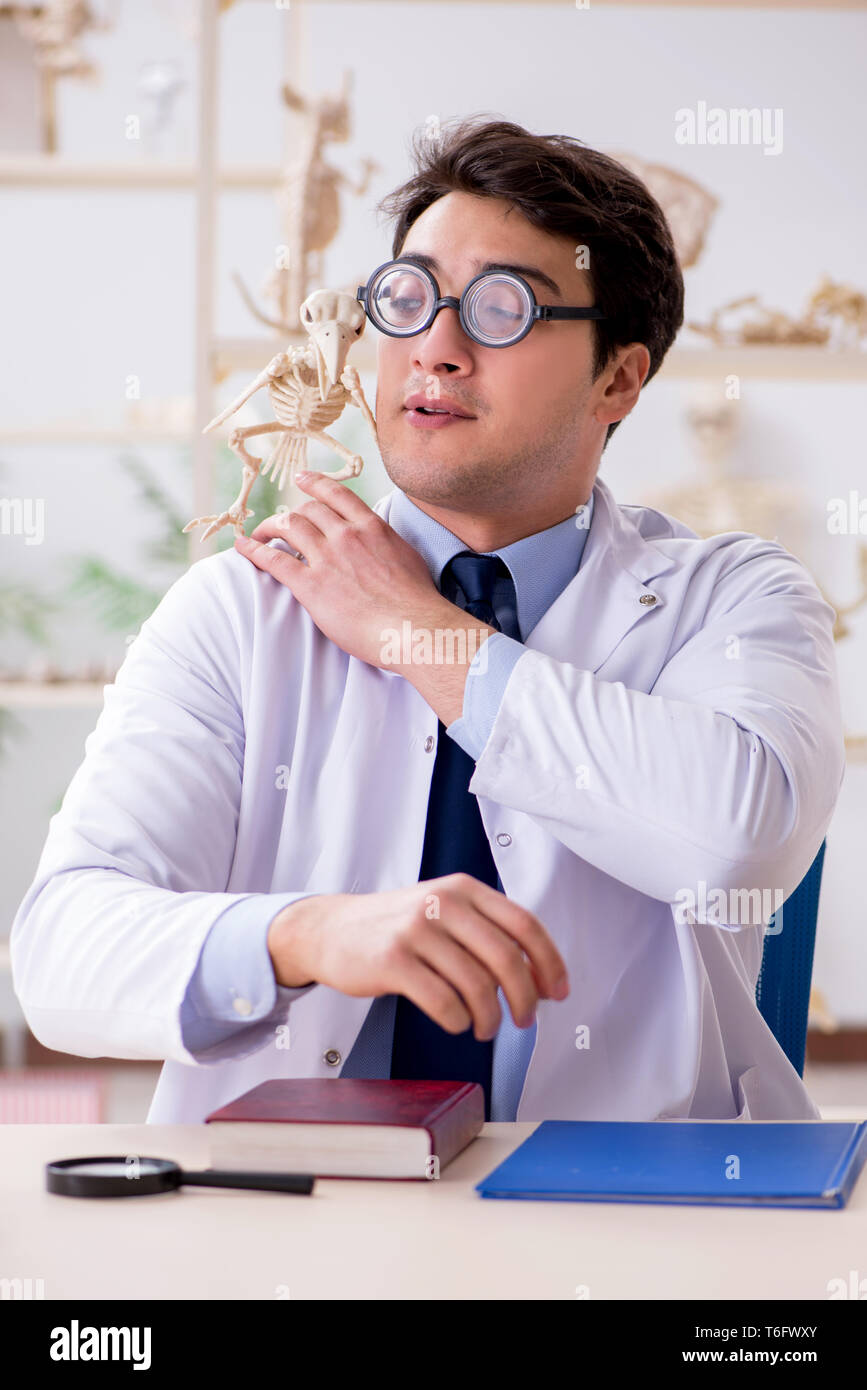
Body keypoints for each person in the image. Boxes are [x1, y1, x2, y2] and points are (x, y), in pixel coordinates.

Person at [11, 117, 845, 1125]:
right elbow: (61, 952)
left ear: (618, 379)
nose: (436, 348)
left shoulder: (734, 595)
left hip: (630, 1212)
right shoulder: (241, 606)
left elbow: (736, 844)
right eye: (407, 298)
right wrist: (306, 935)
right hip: (291, 1223)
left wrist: (417, 630)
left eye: (505, 306)